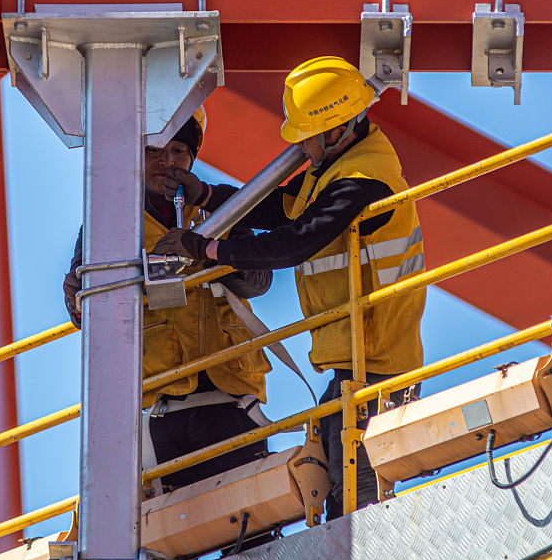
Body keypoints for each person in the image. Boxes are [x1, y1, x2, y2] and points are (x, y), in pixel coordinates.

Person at [152, 57, 425, 519]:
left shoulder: (363, 181)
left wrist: (206, 248)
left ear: (337, 129)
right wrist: (207, 197)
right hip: (360, 359)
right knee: (329, 453)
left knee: (356, 487)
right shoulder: (341, 165)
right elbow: (281, 206)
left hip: (377, 362)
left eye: (306, 135)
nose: (300, 145)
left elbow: (294, 241)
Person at [63, 109, 275, 493]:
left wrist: (208, 250)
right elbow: (84, 310)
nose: (167, 161)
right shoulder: (108, 220)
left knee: (248, 526)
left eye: (178, 150)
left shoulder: (219, 207)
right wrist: (78, 298)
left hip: (231, 399)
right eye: (153, 151)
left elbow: (259, 280)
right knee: (174, 541)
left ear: (192, 159)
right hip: (163, 409)